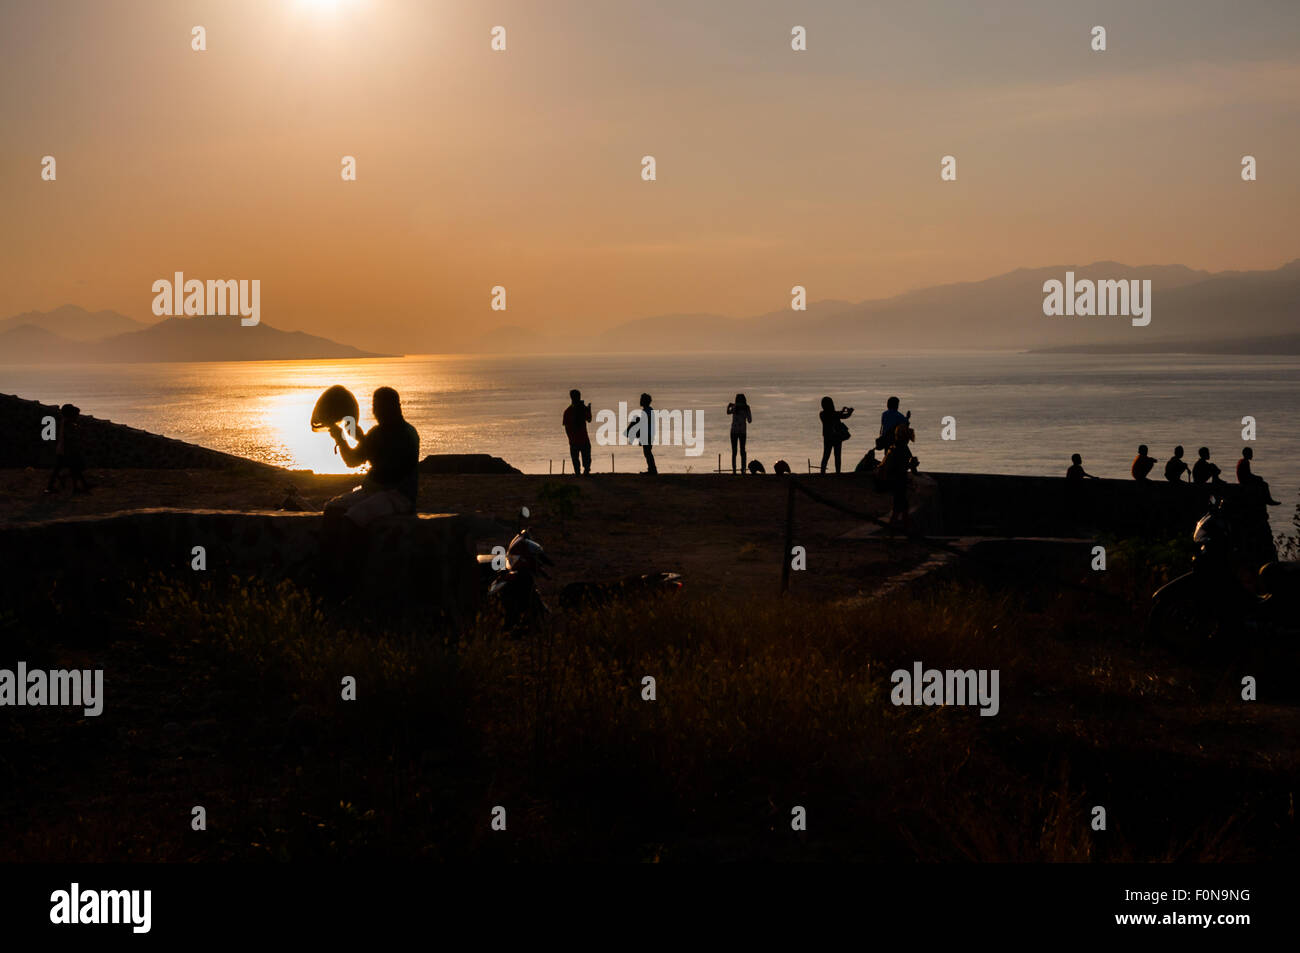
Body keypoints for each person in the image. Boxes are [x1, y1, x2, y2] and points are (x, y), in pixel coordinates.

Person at [324, 387, 421, 526]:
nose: (376, 411)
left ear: (395, 407)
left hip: (398, 496)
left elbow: (389, 472)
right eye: (375, 407)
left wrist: (360, 441)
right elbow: (353, 460)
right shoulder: (376, 432)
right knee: (332, 508)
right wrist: (342, 440)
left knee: (353, 517)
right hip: (373, 492)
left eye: (381, 407)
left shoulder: (406, 434)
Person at [45, 403, 89, 493]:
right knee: (75, 469)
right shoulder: (68, 424)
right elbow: (70, 437)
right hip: (67, 450)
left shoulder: (65, 422)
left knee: (66, 469)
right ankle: (78, 487)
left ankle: (52, 487)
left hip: (63, 450)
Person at [880, 423, 915, 530]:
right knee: (900, 508)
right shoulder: (903, 449)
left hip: (895, 480)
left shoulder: (894, 447)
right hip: (899, 481)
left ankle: (899, 530)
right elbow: (902, 466)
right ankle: (895, 531)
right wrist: (912, 465)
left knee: (901, 508)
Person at [819, 396, 853, 473]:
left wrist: (842, 411)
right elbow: (844, 416)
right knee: (837, 456)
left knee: (826, 455)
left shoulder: (822, 414)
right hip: (837, 436)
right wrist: (850, 411)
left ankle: (822, 472)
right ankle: (838, 472)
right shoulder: (834, 414)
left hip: (827, 437)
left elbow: (836, 414)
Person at [562, 389, 592, 475]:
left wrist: (570, 438)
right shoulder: (581, 409)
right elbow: (589, 419)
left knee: (576, 458)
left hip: (575, 439)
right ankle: (584, 471)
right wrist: (588, 410)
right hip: (582, 438)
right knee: (585, 457)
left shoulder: (568, 411)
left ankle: (578, 472)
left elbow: (566, 427)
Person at [626, 392, 657, 474]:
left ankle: (652, 470)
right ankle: (651, 469)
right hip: (647, 434)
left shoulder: (648, 411)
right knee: (647, 452)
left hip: (647, 434)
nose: (640, 401)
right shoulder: (647, 410)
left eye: (641, 400)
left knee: (647, 452)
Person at [726, 394, 752, 474]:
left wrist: (729, 406)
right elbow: (750, 420)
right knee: (742, 450)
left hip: (734, 431)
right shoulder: (746, 408)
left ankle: (734, 470)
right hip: (742, 431)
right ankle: (743, 469)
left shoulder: (735, 407)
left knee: (734, 451)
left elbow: (728, 412)